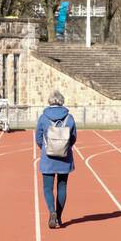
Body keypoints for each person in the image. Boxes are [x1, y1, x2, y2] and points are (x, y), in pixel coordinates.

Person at [35, 91, 77, 228]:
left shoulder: (43, 118)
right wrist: (65, 147)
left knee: (47, 188)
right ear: (61, 101)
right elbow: (73, 138)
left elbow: (39, 138)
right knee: (62, 186)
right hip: (65, 158)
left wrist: (46, 148)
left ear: (50, 101)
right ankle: (58, 217)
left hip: (48, 158)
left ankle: (52, 211)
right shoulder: (69, 118)